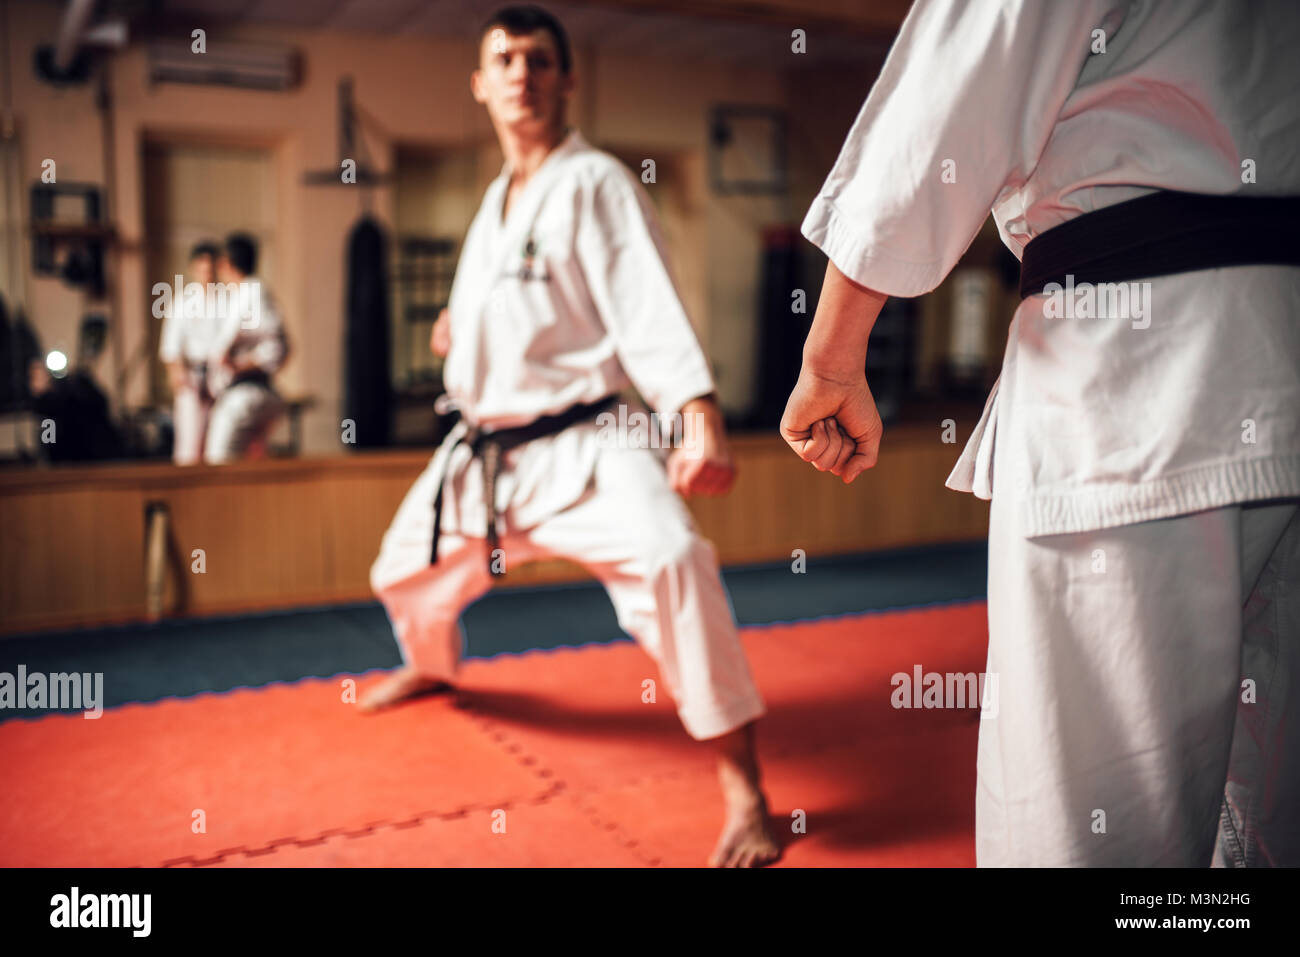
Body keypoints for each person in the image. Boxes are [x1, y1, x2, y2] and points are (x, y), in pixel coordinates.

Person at [782, 0, 1300, 866]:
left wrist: (833, 351)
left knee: (1091, 821)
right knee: (1271, 808)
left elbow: (949, 95)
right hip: (1273, 352)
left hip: (1131, 386)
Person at [364, 4, 779, 867]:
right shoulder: (495, 199)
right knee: (400, 573)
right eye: (505, 58)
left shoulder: (596, 182)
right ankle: (436, 665)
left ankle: (745, 788)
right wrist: (458, 328)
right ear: (480, 83)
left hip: (592, 441)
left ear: (567, 77)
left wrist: (694, 408)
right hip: (485, 456)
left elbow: (643, 304)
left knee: (673, 563)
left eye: (540, 58)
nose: (523, 72)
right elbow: (515, 308)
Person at [204, 232, 290, 463]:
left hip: (246, 394)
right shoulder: (241, 293)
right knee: (248, 466)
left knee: (219, 463)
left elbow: (278, 346)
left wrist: (239, 365)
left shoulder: (253, 291)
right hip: (239, 395)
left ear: (226, 263)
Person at [159, 241, 222, 465]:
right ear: (193, 268)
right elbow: (170, 348)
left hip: (222, 376)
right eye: (202, 266)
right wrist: (177, 373)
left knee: (220, 445)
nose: (207, 272)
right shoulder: (183, 302)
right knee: (189, 446)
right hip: (192, 377)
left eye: (212, 266)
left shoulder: (230, 300)